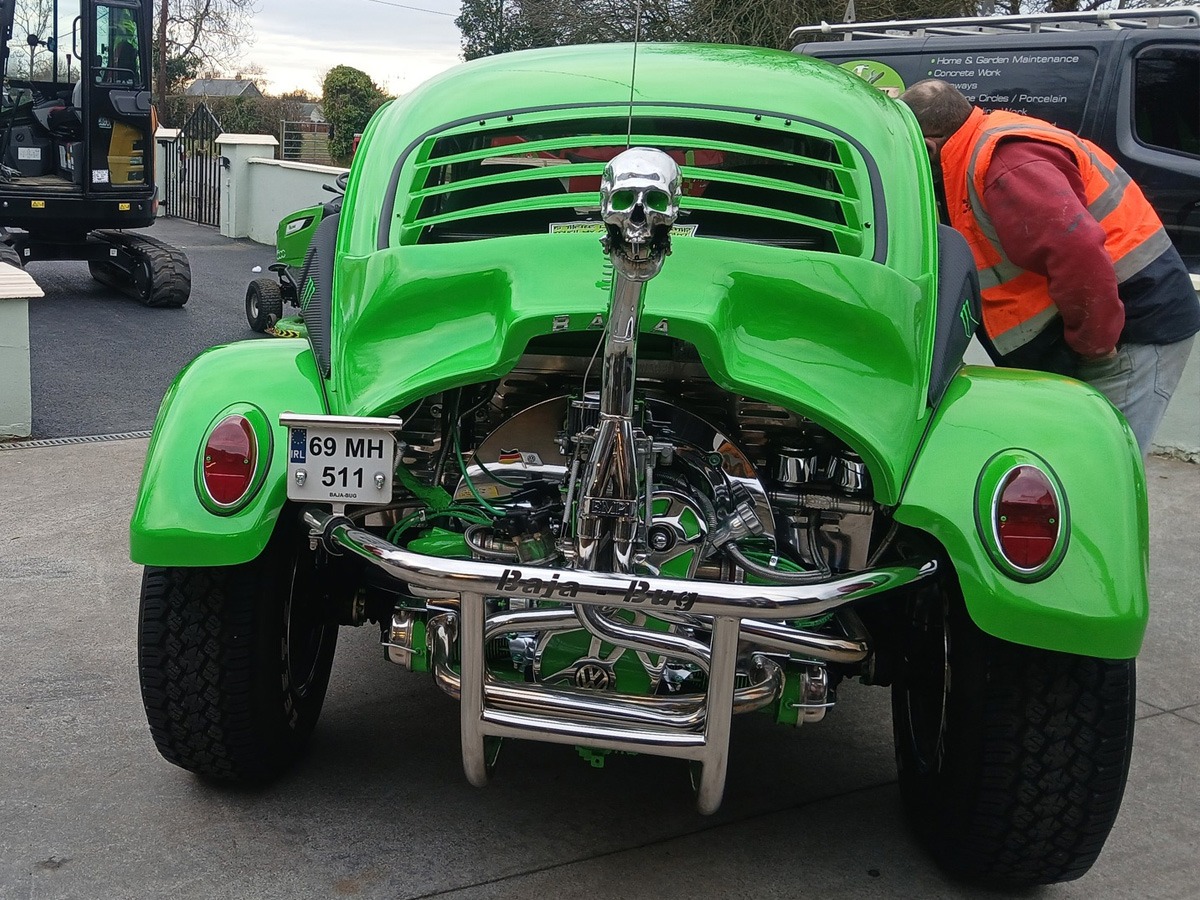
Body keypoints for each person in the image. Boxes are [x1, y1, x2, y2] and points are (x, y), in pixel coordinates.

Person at [900, 79, 1199, 455]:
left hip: (1132, 329)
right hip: (1105, 325)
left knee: (1096, 463)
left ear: (929, 147)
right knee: (1066, 458)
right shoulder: (973, 153)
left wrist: (1095, 348)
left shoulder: (1006, 164)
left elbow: (1078, 253)